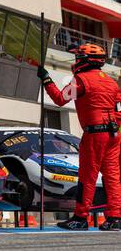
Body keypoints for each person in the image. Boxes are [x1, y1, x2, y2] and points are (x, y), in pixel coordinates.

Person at [39, 44, 121, 230]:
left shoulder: (81, 80)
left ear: (84, 60)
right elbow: (119, 111)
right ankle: (115, 218)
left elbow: (60, 99)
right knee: (113, 177)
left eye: (78, 57)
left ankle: (80, 217)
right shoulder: (111, 82)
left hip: (95, 134)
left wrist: (46, 79)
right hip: (114, 134)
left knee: (87, 177)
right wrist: (113, 128)